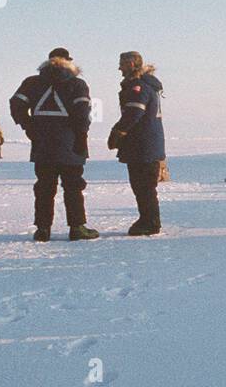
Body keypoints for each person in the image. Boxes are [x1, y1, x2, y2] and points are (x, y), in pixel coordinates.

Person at [10, 47, 98, 242]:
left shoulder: (32, 83)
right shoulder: (77, 84)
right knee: (73, 186)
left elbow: (16, 104)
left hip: (42, 145)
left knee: (44, 187)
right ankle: (77, 227)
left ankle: (43, 229)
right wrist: (82, 137)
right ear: (69, 61)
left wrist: (29, 126)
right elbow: (82, 112)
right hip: (70, 144)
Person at [107, 51, 166, 236]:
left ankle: (150, 222)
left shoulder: (138, 87)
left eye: (122, 64)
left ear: (132, 64)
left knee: (144, 186)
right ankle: (147, 219)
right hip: (146, 145)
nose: (119, 68)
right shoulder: (147, 86)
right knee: (142, 186)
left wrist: (118, 132)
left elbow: (134, 113)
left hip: (142, 145)